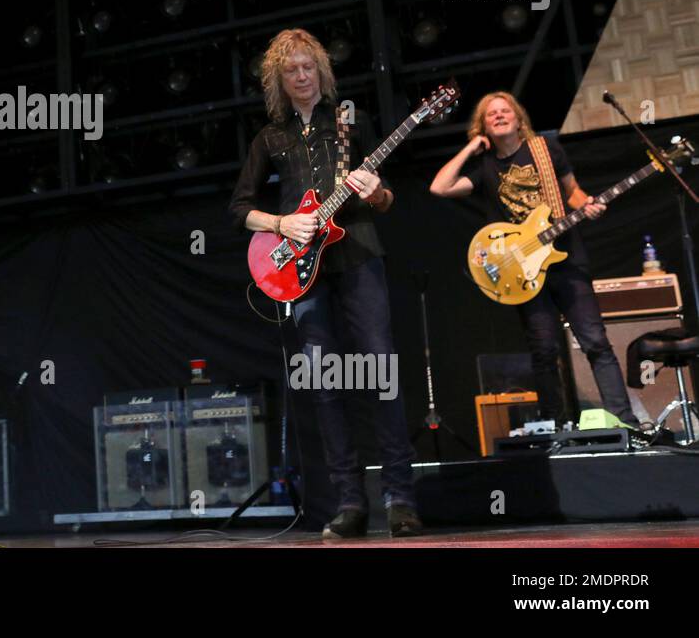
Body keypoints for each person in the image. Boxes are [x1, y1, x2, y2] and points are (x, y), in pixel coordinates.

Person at [229, 28, 422, 538]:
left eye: (308, 67)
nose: (301, 76)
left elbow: (385, 201)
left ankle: (400, 499)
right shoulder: (269, 137)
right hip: (301, 267)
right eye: (291, 70)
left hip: (357, 251)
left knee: (379, 368)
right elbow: (238, 210)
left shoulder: (350, 122)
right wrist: (280, 223)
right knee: (325, 380)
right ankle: (349, 502)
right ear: (280, 80)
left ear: (321, 71)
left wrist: (377, 192)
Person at [430, 91, 641, 430]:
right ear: (482, 125)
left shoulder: (545, 149)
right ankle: (554, 427)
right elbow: (439, 188)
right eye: (491, 114)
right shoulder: (484, 167)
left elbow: (572, 192)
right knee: (544, 349)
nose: (499, 116)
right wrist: (471, 147)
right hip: (524, 271)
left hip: (566, 260)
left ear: (518, 118)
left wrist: (589, 205)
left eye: (505, 111)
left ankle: (625, 420)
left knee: (595, 341)